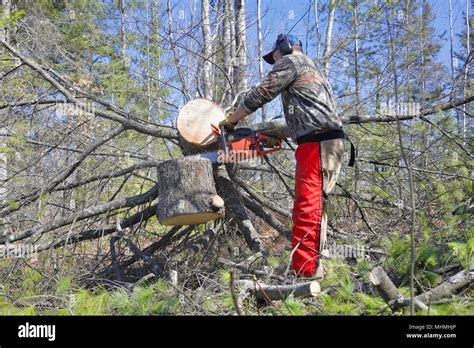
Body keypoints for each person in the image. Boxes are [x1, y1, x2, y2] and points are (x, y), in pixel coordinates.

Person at [220, 33, 347, 278]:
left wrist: (231, 120)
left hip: (317, 144)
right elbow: (315, 114)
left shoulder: (291, 62)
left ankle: (304, 271)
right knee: (317, 207)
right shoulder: (312, 69)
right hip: (326, 141)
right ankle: (314, 266)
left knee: (306, 207)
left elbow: (262, 92)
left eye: (274, 56)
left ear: (285, 48)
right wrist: (279, 130)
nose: (274, 62)